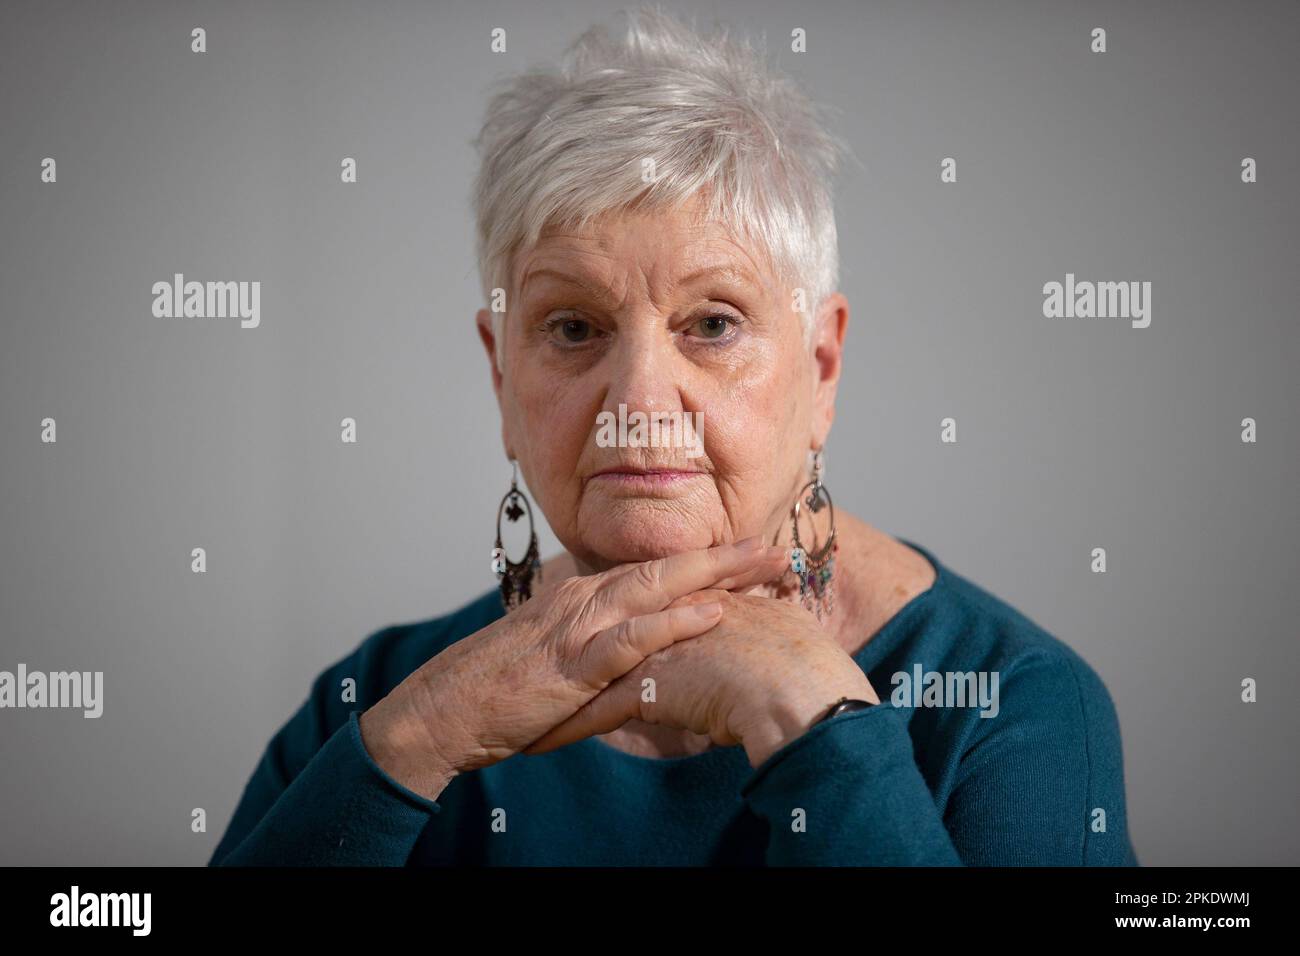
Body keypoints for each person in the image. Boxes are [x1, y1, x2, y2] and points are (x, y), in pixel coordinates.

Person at [210, 6, 1138, 867]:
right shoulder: (380, 700)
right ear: (501, 375)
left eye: (713, 324)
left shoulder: (1011, 702)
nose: (640, 403)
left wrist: (819, 727)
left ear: (821, 367)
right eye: (572, 328)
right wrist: (418, 743)